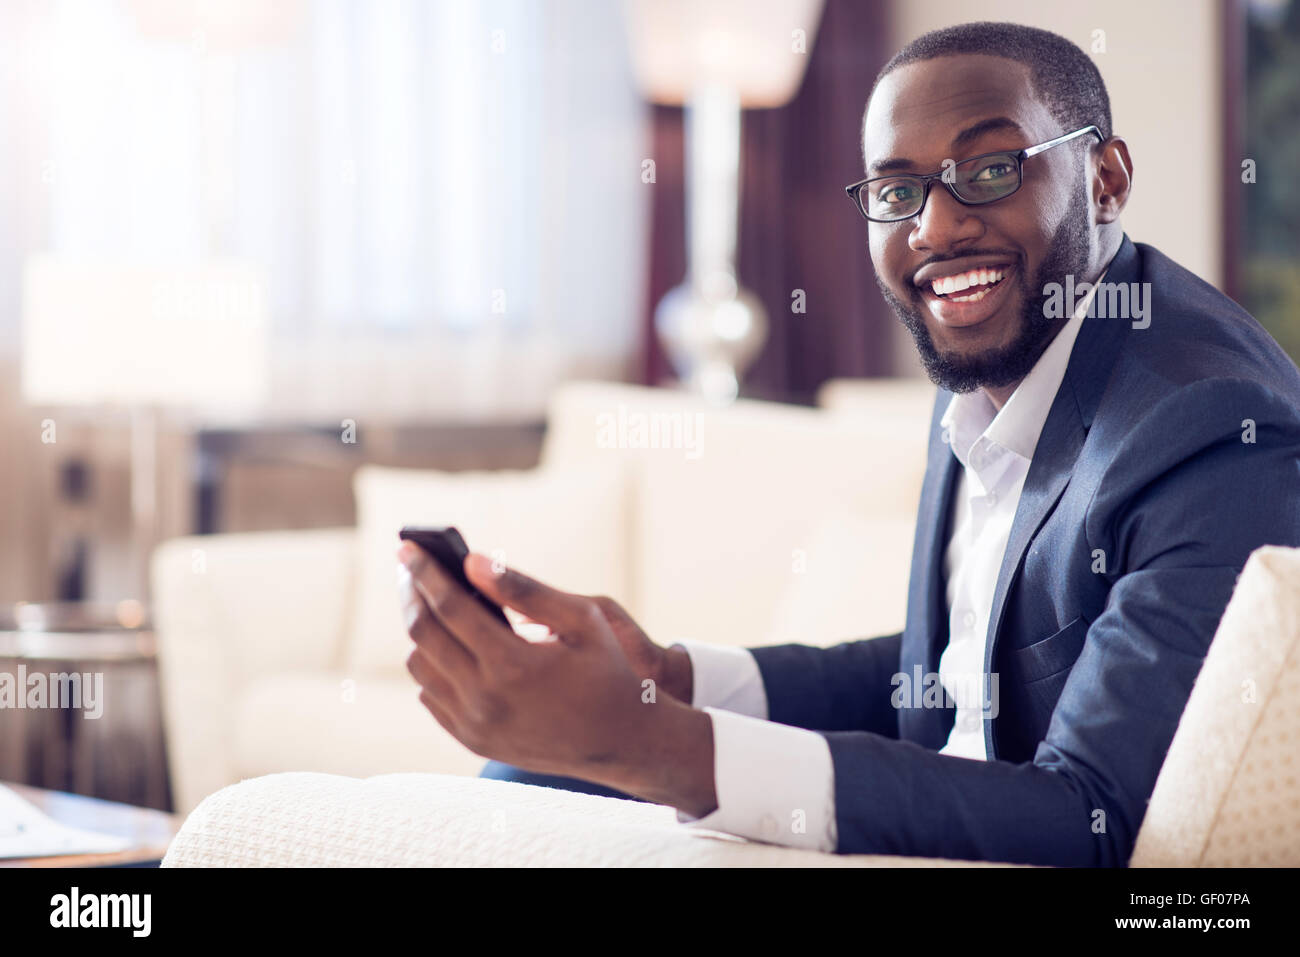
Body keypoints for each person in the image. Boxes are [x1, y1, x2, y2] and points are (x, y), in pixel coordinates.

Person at [395, 22, 1300, 866]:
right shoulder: (998, 363)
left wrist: (660, 747)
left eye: (989, 169)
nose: (936, 229)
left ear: (1105, 179)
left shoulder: (1208, 426)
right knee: (528, 778)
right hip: (952, 811)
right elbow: (956, 665)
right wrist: (674, 681)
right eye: (897, 191)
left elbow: (1095, 817)